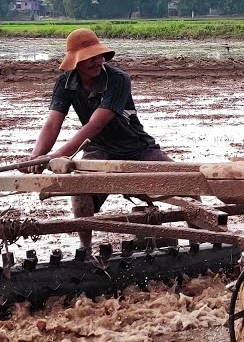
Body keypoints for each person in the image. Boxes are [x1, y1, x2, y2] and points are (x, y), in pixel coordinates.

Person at [27, 28, 172, 247]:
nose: (97, 62)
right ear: (76, 62)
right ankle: (86, 251)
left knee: (189, 185)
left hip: (136, 148)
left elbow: (95, 125)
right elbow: (52, 122)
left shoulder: (118, 80)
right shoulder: (65, 84)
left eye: (99, 56)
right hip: (99, 150)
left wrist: (57, 156)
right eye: (89, 58)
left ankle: (211, 246)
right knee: (80, 190)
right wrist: (36, 157)